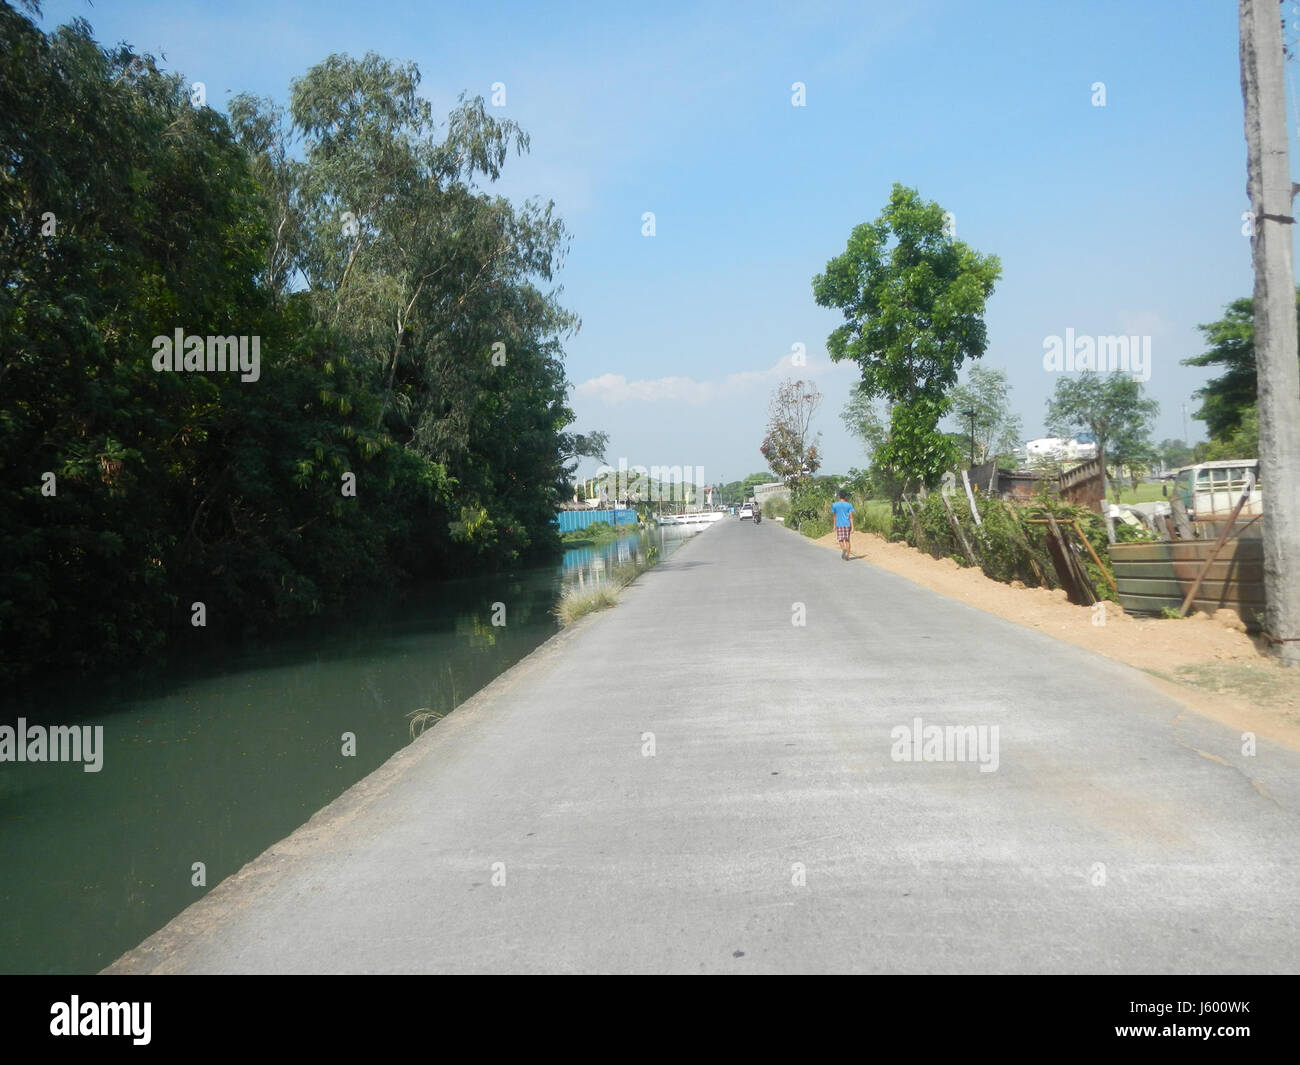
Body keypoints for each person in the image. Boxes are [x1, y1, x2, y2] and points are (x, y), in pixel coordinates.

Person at [830, 489, 855, 560]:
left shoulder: (834, 505)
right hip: (847, 524)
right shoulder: (849, 505)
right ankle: (847, 556)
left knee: (840, 540)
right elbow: (851, 517)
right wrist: (853, 527)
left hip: (839, 524)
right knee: (847, 540)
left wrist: (834, 525)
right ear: (845, 496)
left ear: (839, 496)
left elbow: (834, 516)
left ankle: (843, 549)